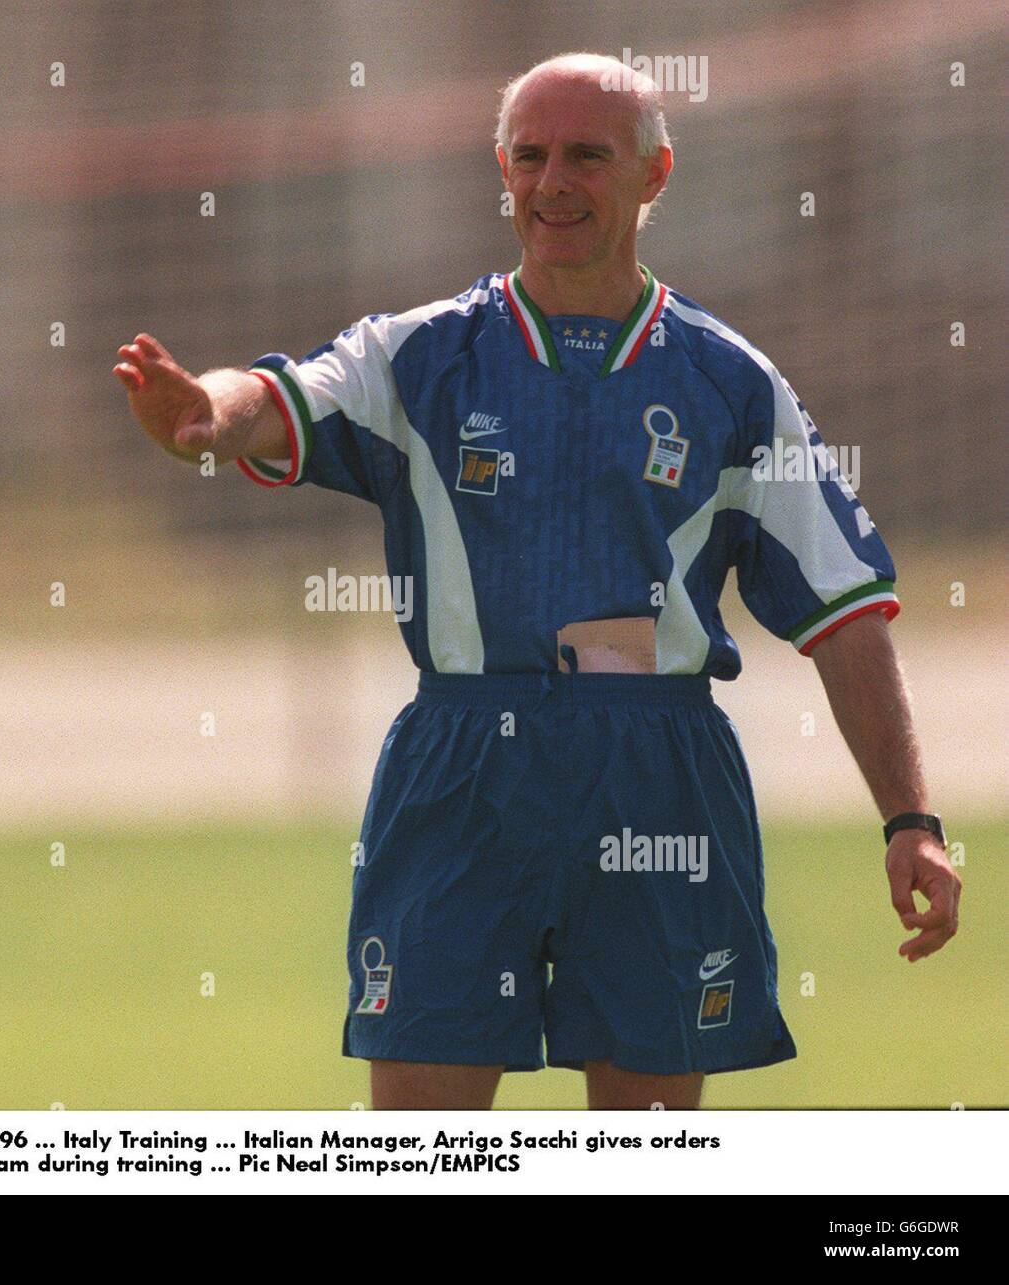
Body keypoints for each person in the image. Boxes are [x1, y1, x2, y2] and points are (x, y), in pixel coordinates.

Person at [113, 52, 960, 1110]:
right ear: (501, 171)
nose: (552, 182)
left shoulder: (731, 383)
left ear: (653, 174)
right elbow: (280, 395)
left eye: (586, 156)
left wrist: (908, 821)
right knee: (422, 1150)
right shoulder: (417, 355)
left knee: (641, 1154)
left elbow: (843, 613)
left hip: (659, 770)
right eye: (529, 156)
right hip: (463, 771)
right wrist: (206, 413)